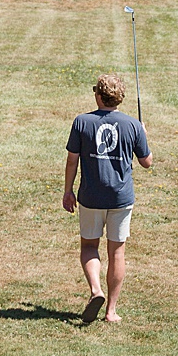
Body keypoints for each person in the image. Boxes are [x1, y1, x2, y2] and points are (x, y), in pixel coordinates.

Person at [62, 74, 152, 325]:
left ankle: (95, 291)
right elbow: (147, 162)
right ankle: (111, 311)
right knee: (117, 253)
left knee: (90, 246)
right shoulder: (132, 125)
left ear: (98, 96)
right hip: (121, 198)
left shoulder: (82, 122)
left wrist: (68, 191)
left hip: (91, 196)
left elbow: (72, 159)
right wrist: (143, 134)